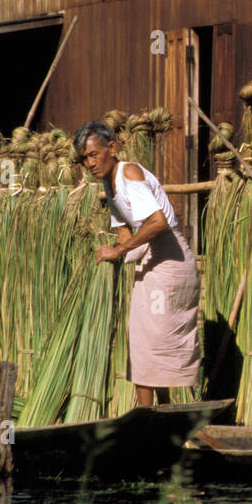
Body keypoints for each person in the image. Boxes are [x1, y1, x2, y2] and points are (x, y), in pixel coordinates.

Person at [74, 121, 200, 406]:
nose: (90, 163)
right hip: (152, 263)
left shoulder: (129, 172)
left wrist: (118, 253)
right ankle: (164, 414)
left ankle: (146, 420)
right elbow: (125, 236)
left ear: (112, 149)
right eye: (84, 159)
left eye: (94, 154)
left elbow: (158, 222)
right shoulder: (110, 183)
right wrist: (105, 257)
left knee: (148, 343)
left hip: (168, 263)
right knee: (148, 341)